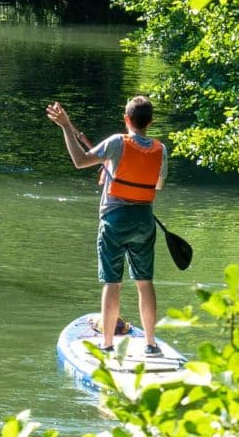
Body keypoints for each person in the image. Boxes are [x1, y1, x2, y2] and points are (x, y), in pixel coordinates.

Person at [46, 96, 167, 357]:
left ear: (126, 120)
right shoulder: (161, 149)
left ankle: (108, 343)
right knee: (145, 282)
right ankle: (150, 343)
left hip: (115, 221)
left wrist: (66, 126)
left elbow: (80, 160)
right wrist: (117, 170)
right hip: (144, 221)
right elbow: (156, 186)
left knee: (112, 282)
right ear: (151, 122)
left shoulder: (116, 142)